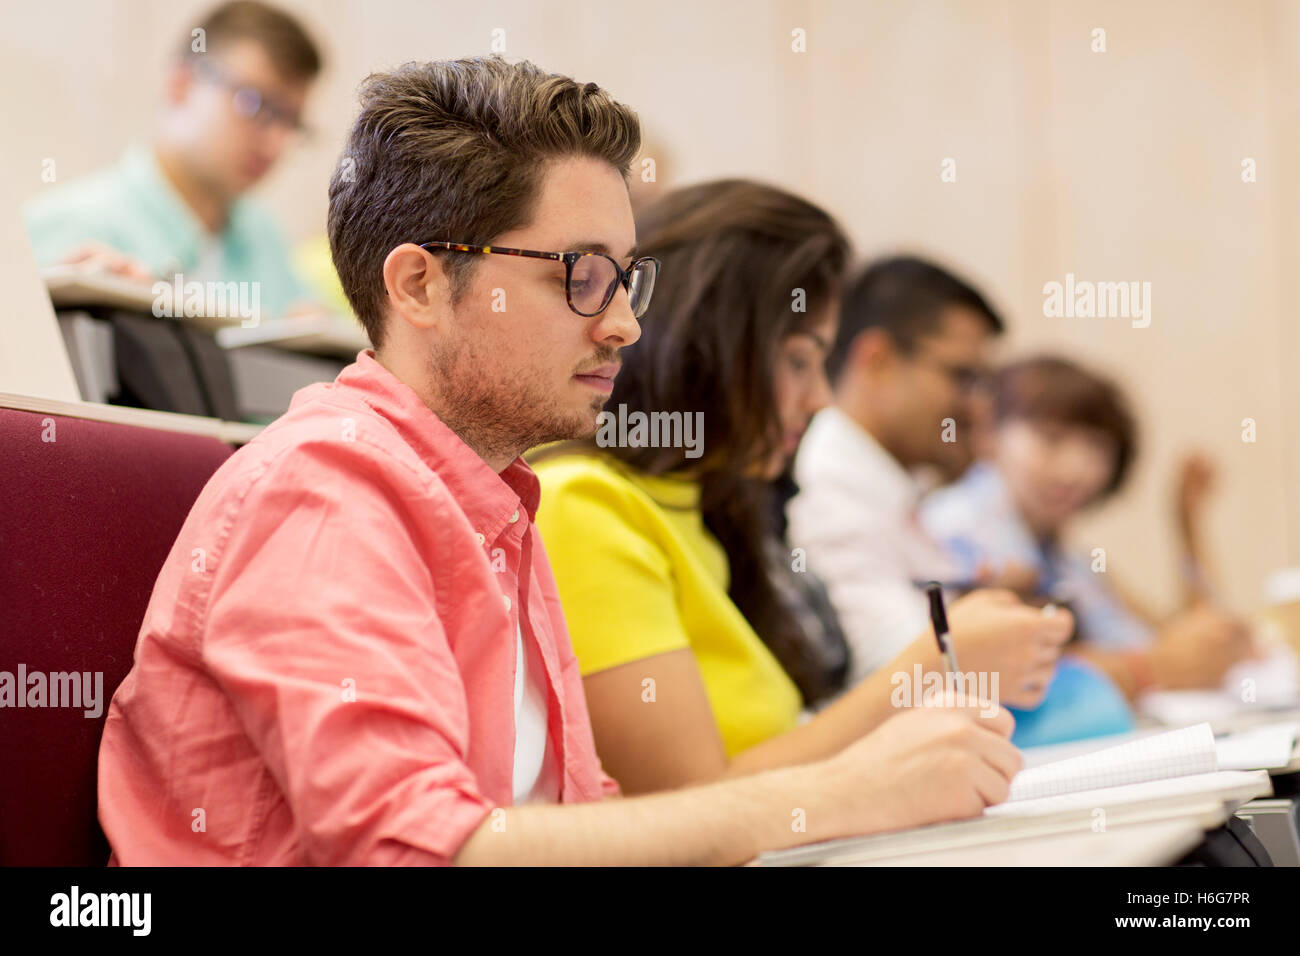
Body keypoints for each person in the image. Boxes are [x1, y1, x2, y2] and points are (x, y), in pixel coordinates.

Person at [96, 57, 1024, 866]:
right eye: (578, 274)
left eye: (628, 278)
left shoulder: (495, 495)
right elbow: (418, 846)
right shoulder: (326, 491)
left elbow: (572, 820)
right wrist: (837, 795)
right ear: (421, 284)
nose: (622, 322)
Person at [531, 183, 1071, 795]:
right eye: (796, 362)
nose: (818, 398)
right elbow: (690, 803)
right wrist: (936, 665)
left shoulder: (704, 509)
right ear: (706, 350)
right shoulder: (583, 503)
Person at [789, 256, 1056, 684]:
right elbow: (904, 676)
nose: (978, 406)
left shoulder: (894, 485)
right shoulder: (824, 489)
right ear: (877, 360)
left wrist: (986, 607)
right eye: (963, 378)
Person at [922, 356, 1253, 698]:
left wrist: (1186, 522)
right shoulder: (957, 527)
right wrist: (1157, 666)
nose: (1075, 468)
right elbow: (996, 670)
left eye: (1096, 446)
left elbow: (1168, 641)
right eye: (1051, 439)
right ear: (989, 434)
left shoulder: (1064, 555)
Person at [24, 1, 321, 318]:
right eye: (254, 104)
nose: (274, 144)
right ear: (180, 86)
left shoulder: (265, 240)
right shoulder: (67, 227)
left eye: (290, 122)